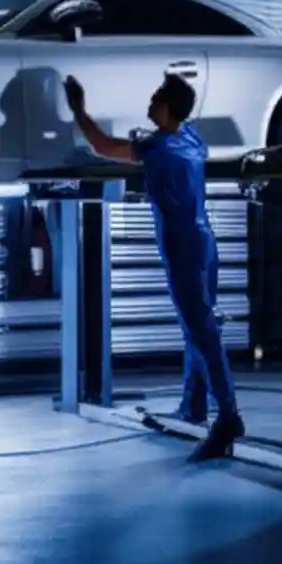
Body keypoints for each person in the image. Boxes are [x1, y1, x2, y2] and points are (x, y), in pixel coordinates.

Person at [63, 72, 245, 463]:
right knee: (197, 325)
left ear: (168, 107)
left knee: (202, 330)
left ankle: (228, 415)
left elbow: (101, 145)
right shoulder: (191, 138)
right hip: (205, 240)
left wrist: (78, 109)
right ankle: (194, 406)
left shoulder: (157, 147)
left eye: (157, 96)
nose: (151, 100)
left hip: (183, 247)